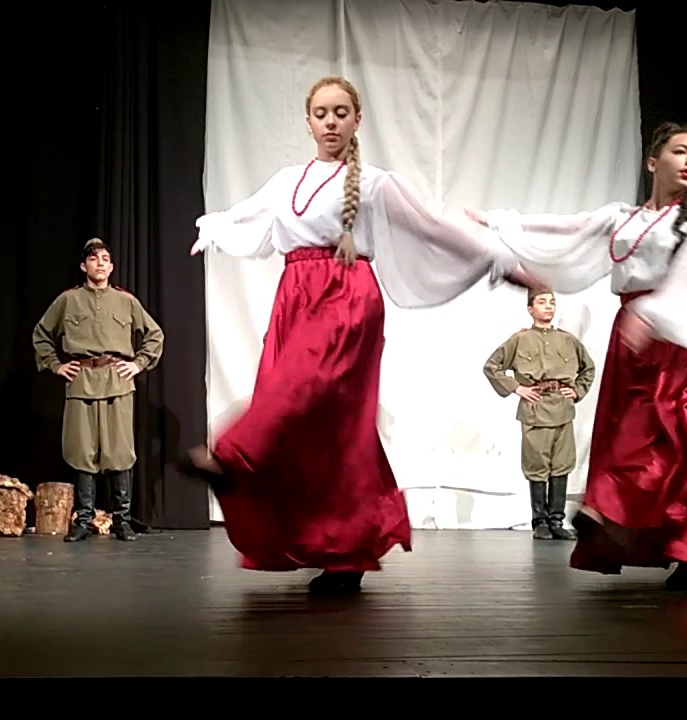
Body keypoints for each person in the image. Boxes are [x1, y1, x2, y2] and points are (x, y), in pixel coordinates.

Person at [180, 75, 539, 594]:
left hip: (347, 301)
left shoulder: (375, 183)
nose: (331, 122)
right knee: (332, 433)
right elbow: (249, 217)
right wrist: (211, 229)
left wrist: (498, 260)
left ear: (357, 119)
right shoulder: (288, 180)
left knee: (296, 393)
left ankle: (230, 459)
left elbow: (432, 230)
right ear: (308, 121)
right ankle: (344, 552)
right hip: (295, 296)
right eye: (321, 113)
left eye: (341, 112)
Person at [470, 121, 687, 589]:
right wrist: (501, 224)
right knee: (624, 431)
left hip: (682, 340)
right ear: (653, 161)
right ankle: (628, 519)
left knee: (672, 439)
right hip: (633, 338)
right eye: (680, 151)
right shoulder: (621, 217)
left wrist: (652, 313)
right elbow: (566, 230)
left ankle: (672, 537)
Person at [32, 238, 164, 543]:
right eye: (94, 259)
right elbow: (41, 333)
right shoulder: (68, 300)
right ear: (84, 266)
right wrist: (55, 365)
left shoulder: (125, 301)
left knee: (119, 452)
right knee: (82, 452)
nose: (100, 263)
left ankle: (122, 521)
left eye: (105, 258)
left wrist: (138, 363)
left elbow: (154, 334)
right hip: (81, 382)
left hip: (117, 381)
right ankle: (85, 520)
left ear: (112, 266)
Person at [482, 288, 596, 541]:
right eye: (542, 302)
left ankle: (557, 520)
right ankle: (539, 522)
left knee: (562, 465)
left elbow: (588, 369)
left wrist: (576, 391)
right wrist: (517, 388)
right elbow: (492, 367)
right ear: (530, 308)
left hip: (562, 410)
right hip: (534, 410)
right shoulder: (520, 340)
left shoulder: (568, 341)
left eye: (552, 302)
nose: (548, 307)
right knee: (537, 467)